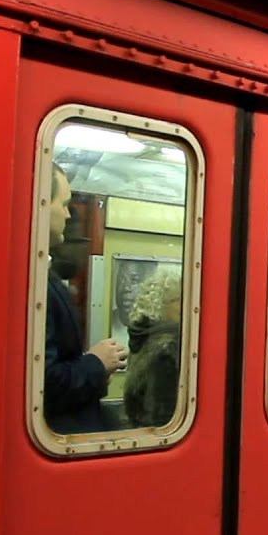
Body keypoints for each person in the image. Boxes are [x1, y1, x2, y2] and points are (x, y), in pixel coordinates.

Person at [44, 163, 128, 434]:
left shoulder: (46, 275)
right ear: (42, 203)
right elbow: (43, 383)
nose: (68, 215)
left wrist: (98, 369)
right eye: (65, 204)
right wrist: (95, 363)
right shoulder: (36, 282)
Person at [123, 270, 183, 428]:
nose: (185, 305)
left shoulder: (143, 336)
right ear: (160, 306)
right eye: (178, 300)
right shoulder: (169, 345)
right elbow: (162, 413)